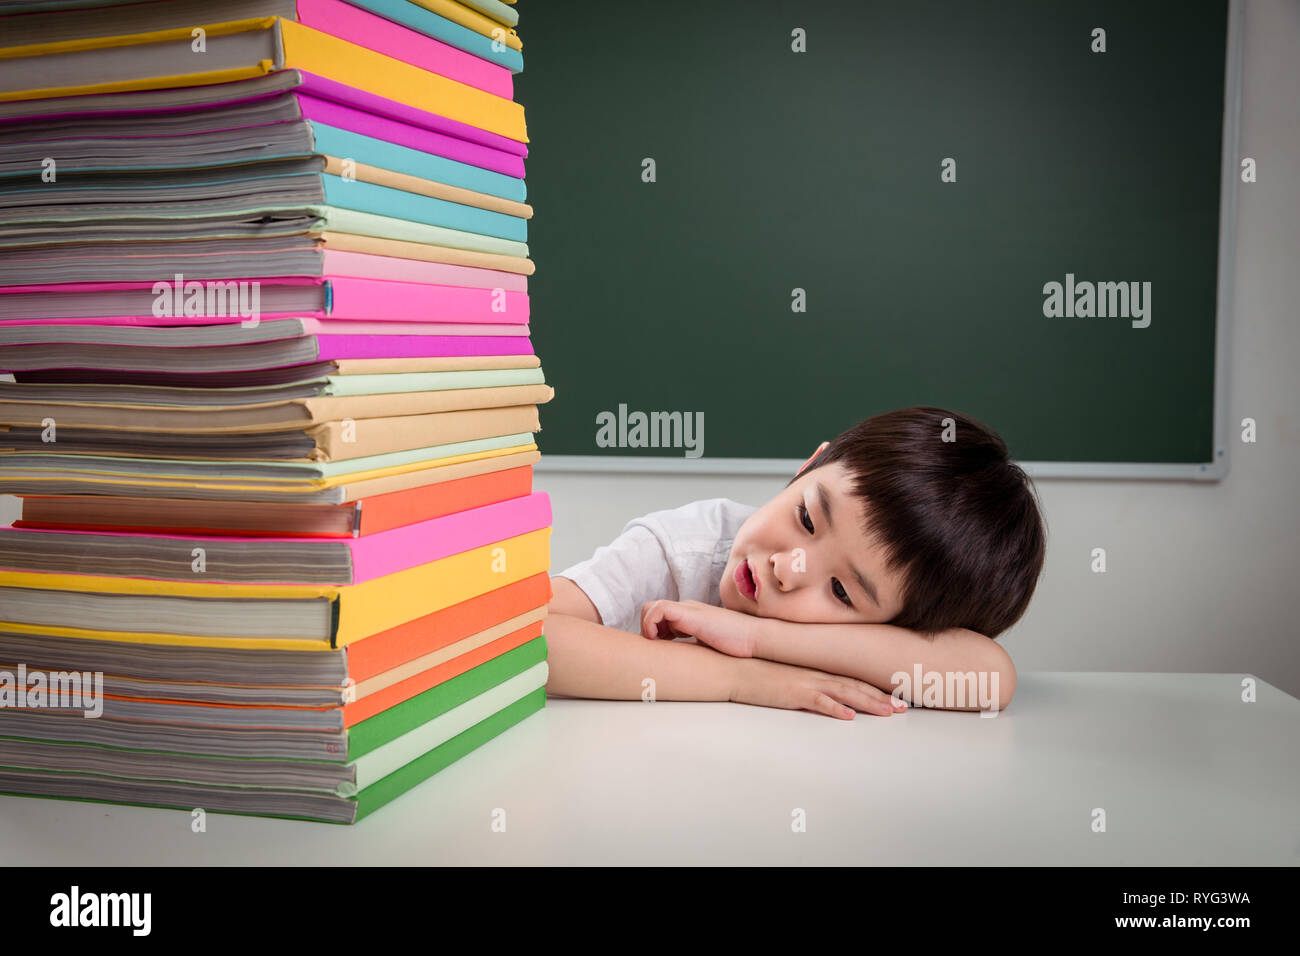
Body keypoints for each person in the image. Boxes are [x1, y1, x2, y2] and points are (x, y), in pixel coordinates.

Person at [546, 406, 1046, 718]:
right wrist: (738, 679)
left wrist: (756, 638)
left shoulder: (878, 641)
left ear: (896, 627)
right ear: (809, 465)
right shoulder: (687, 548)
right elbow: (521, 638)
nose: (788, 569)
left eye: (841, 592)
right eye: (807, 517)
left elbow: (989, 679)